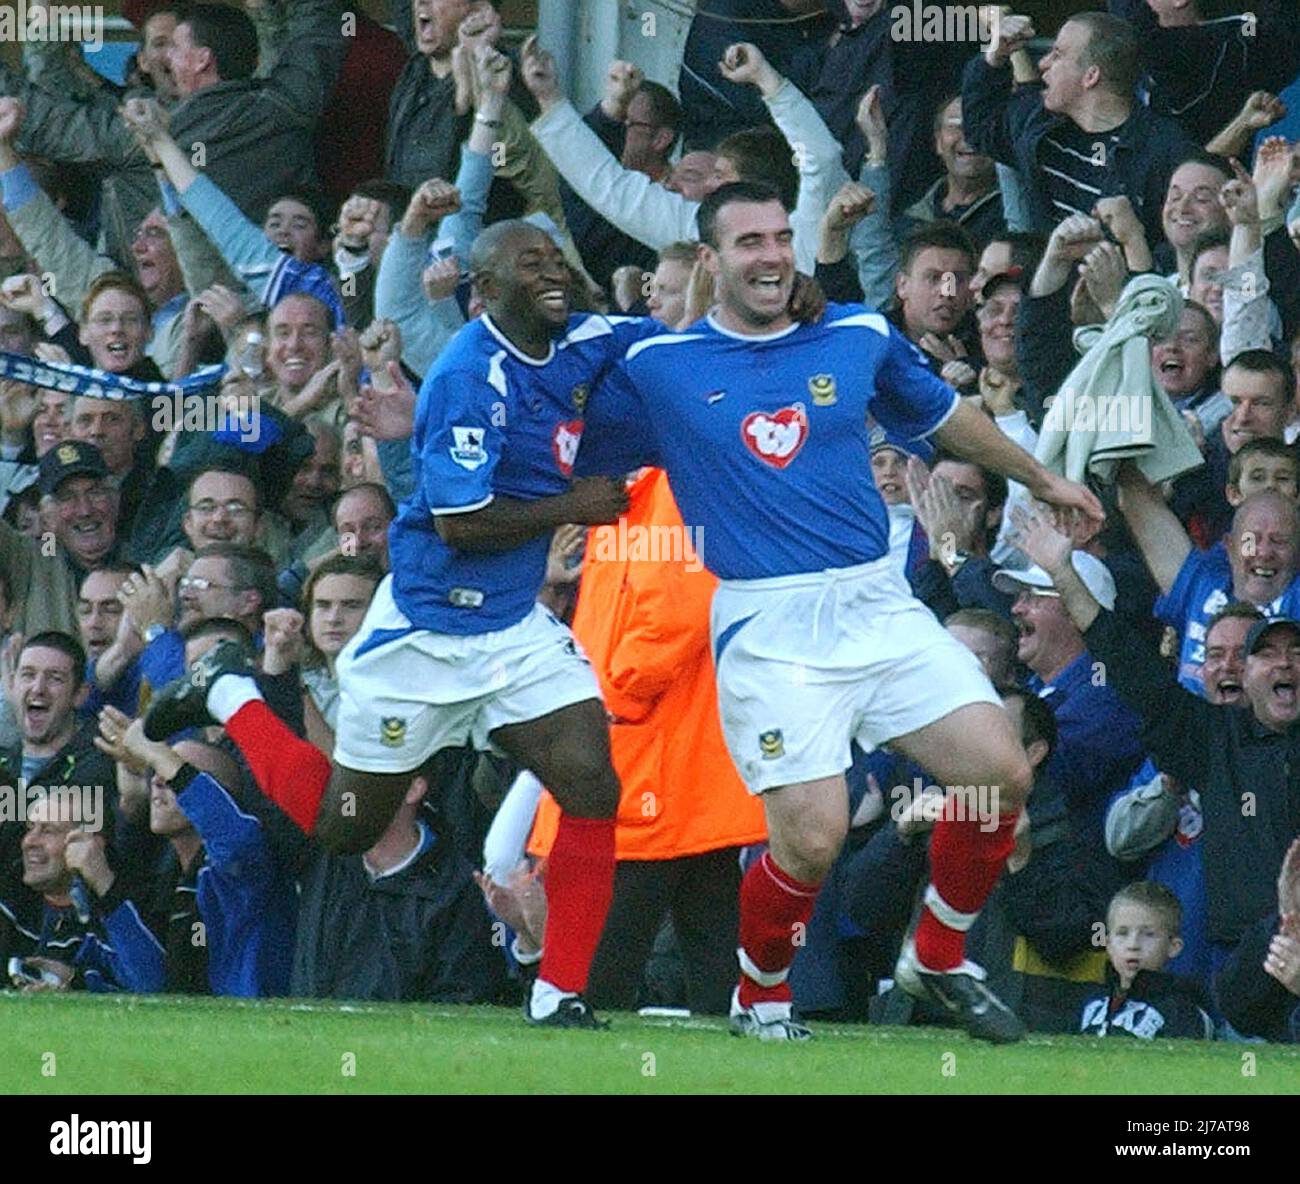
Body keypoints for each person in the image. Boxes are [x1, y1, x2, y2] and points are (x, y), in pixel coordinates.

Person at [580, 180, 1102, 1043]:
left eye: (781, 236)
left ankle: (936, 956)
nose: (773, 255)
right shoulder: (658, 368)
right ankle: (764, 991)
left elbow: (946, 418)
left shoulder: (856, 334)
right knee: (814, 837)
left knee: (1000, 772)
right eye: (748, 241)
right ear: (709, 260)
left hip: (876, 600)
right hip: (768, 622)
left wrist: (1042, 478)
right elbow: (573, 451)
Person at [1078, 881, 1214, 1039]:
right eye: (1122, 933)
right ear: (1108, 944)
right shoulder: (1090, 1002)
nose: (1133, 945)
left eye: (1148, 934)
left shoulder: (1182, 1012)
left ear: (1173, 946)